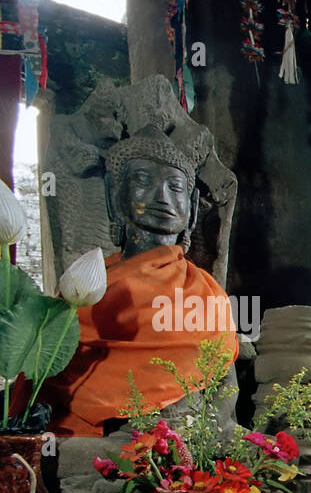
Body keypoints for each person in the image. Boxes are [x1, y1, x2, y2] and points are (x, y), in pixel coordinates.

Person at [47, 124, 239, 437]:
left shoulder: (206, 293)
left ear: (192, 209)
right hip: (91, 442)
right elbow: (48, 384)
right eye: (142, 180)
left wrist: (209, 439)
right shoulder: (85, 288)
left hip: (184, 442)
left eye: (175, 187)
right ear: (114, 195)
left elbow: (224, 396)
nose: (162, 197)